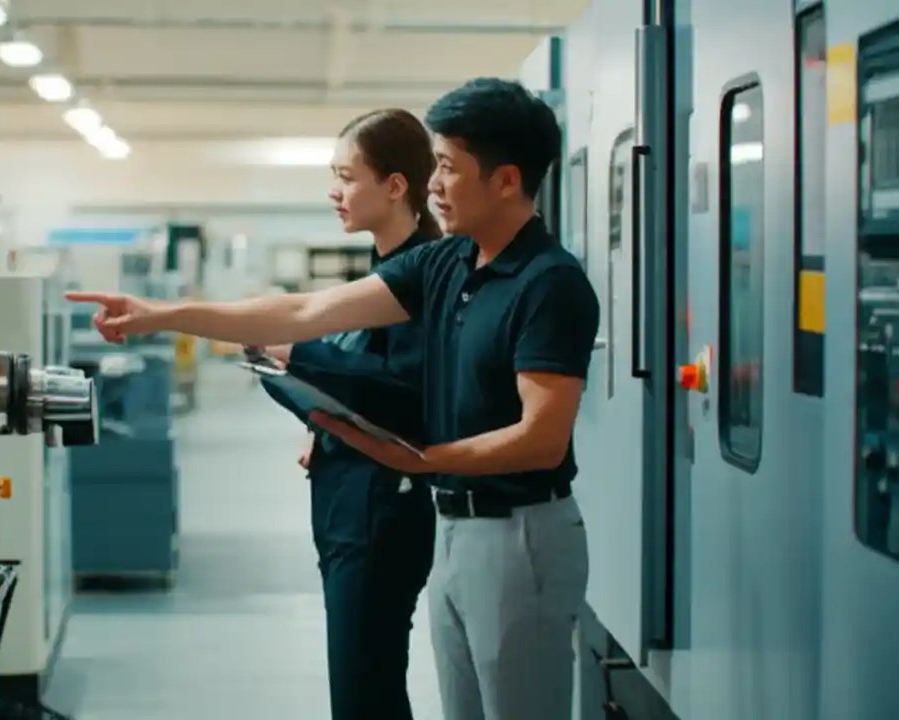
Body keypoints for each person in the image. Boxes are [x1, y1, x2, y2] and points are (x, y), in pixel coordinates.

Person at [66, 77, 598, 720]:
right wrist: (164, 314)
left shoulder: (550, 283)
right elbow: (304, 310)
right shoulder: (448, 265)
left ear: (507, 180)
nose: (433, 185)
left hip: (521, 535)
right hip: (457, 525)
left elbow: (544, 438)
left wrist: (425, 460)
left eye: (449, 169)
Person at [250, 108, 440, 720]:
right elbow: (362, 380)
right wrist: (318, 415)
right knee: (362, 690)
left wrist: (299, 354)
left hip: (381, 510)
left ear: (395, 186)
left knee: (367, 694)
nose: (336, 192)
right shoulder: (384, 268)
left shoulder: (421, 276)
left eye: (348, 176)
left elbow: (403, 395)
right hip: (351, 501)